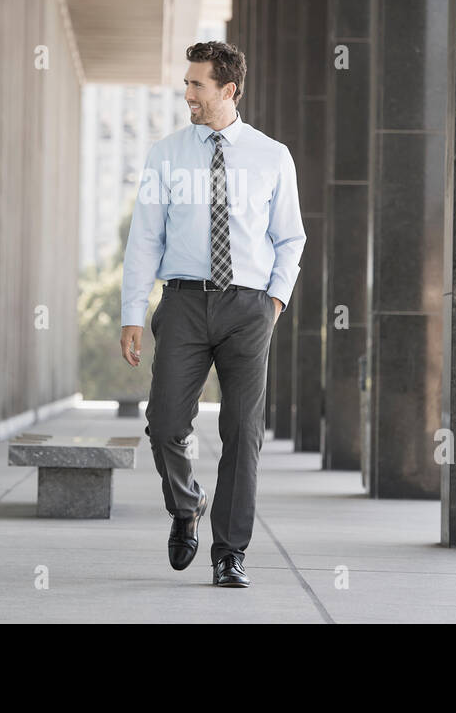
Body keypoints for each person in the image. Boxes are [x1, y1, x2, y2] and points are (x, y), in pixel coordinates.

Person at [120, 40, 305, 587]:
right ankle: (186, 506)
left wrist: (274, 300)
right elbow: (145, 238)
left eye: (197, 85)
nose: (188, 94)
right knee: (164, 425)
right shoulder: (166, 154)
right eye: (186, 84)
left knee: (242, 432)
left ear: (228, 89)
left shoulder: (272, 156)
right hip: (183, 302)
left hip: (248, 307)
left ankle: (230, 552)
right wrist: (133, 312)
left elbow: (290, 238)